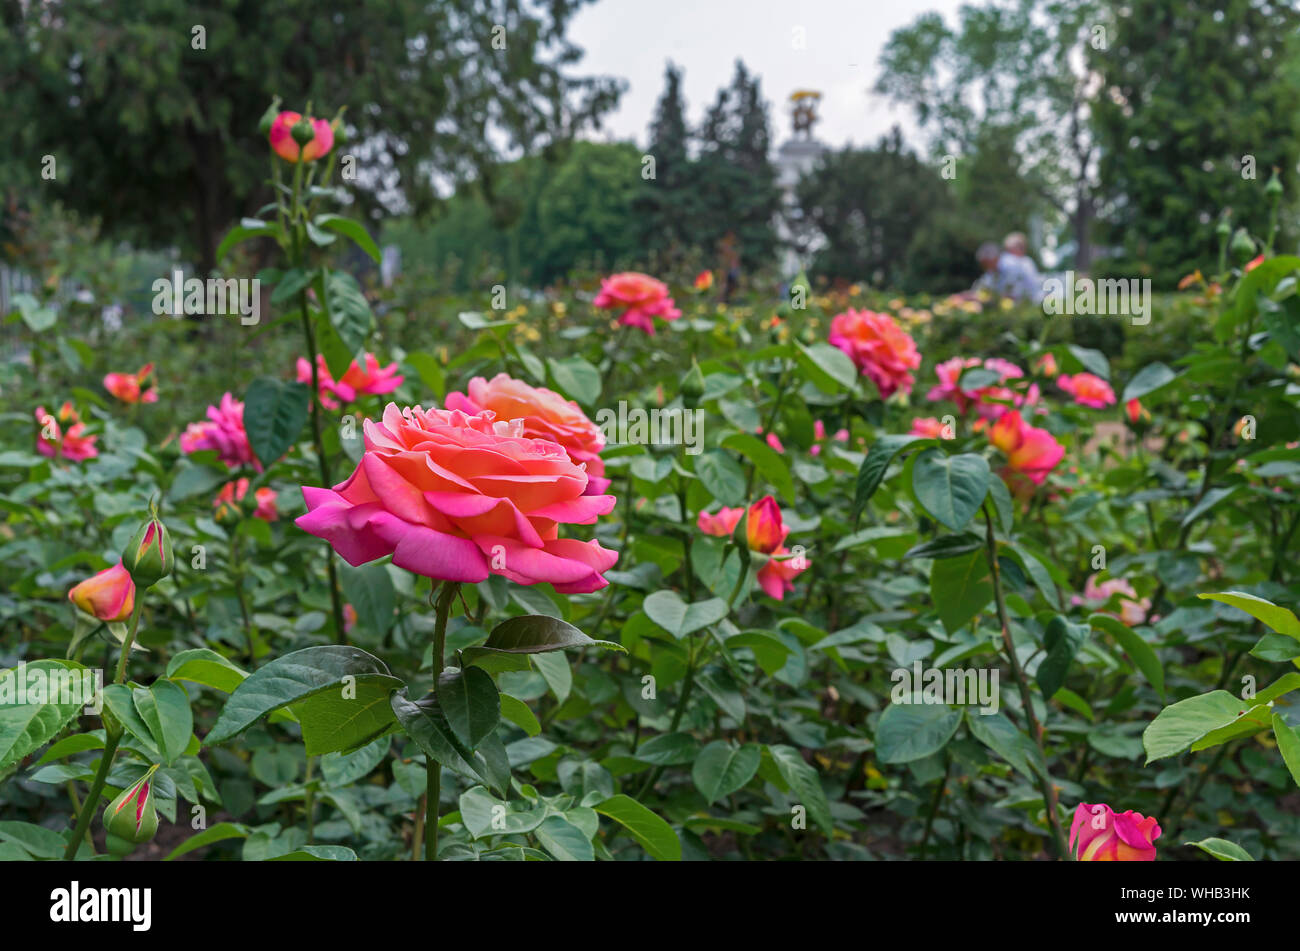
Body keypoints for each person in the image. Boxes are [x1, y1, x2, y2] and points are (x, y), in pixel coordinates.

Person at [996, 232, 1045, 303]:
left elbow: (1034, 281)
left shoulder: (1027, 261)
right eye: (1019, 246)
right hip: (1012, 299)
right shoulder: (1005, 260)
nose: (1022, 248)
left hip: (1030, 298)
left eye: (1022, 246)